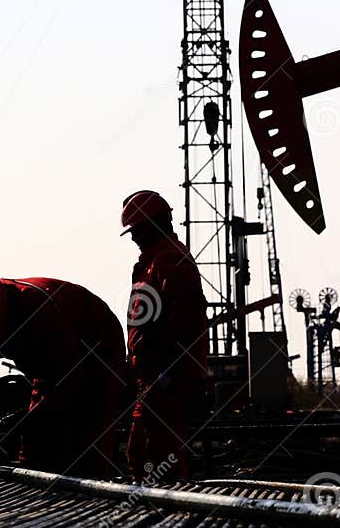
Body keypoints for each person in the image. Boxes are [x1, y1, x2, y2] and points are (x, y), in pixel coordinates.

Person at [0, 275, 127, 478]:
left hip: (98, 345)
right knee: (34, 451)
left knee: (86, 435)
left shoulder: (41, 312)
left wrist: (26, 420)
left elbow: (66, 381)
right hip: (50, 365)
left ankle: (92, 489)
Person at [120, 189, 208, 481]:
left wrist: (167, 370)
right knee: (144, 451)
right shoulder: (154, 261)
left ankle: (168, 509)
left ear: (151, 225)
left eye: (135, 230)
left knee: (157, 451)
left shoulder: (169, 260)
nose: (132, 237)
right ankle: (159, 505)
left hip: (165, 374)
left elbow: (183, 319)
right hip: (155, 374)